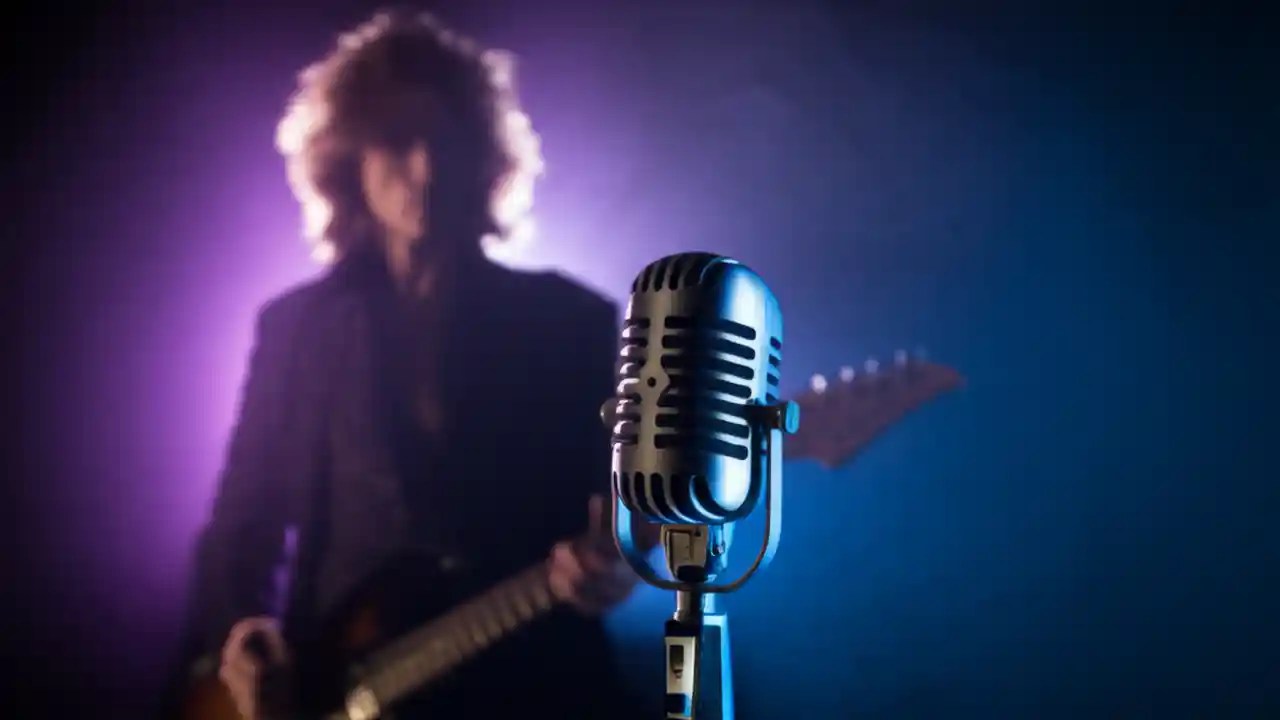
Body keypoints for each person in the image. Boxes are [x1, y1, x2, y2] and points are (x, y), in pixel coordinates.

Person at [167, 10, 652, 719]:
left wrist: (615, 567)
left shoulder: (570, 322)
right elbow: (242, 527)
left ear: (483, 157)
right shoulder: (296, 330)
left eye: (445, 142)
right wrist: (240, 637)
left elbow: (613, 512)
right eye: (398, 142)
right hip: (340, 686)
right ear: (348, 162)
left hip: (530, 686)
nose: (424, 169)